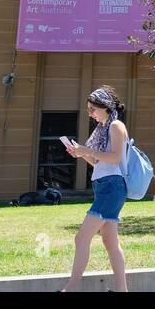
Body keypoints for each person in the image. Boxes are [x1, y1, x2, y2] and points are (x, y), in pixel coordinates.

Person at [60, 86, 130, 292]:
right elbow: (101, 163)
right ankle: (122, 290)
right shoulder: (103, 128)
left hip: (112, 187)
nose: (90, 114)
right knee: (110, 242)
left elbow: (116, 158)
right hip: (105, 186)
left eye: (93, 109)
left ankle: (71, 288)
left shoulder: (116, 126)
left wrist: (86, 150)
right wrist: (81, 153)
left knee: (81, 237)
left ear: (105, 107)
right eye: (89, 109)